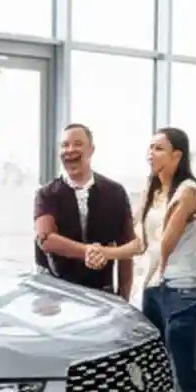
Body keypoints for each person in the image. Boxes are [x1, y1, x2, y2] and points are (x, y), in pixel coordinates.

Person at [85, 127, 196, 392]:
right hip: (154, 291)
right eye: (149, 148)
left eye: (158, 148)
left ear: (177, 156)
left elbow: (164, 245)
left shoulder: (189, 192)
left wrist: (164, 210)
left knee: (186, 380)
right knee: (160, 379)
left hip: (181, 292)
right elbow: (140, 244)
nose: (150, 154)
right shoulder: (153, 192)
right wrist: (105, 252)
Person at [33, 123, 135, 300]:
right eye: (65, 145)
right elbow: (46, 239)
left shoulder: (115, 192)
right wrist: (87, 251)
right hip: (57, 294)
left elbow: (126, 249)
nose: (70, 150)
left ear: (91, 150)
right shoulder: (46, 194)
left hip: (103, 294)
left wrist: (124, 297)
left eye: (78, 144)